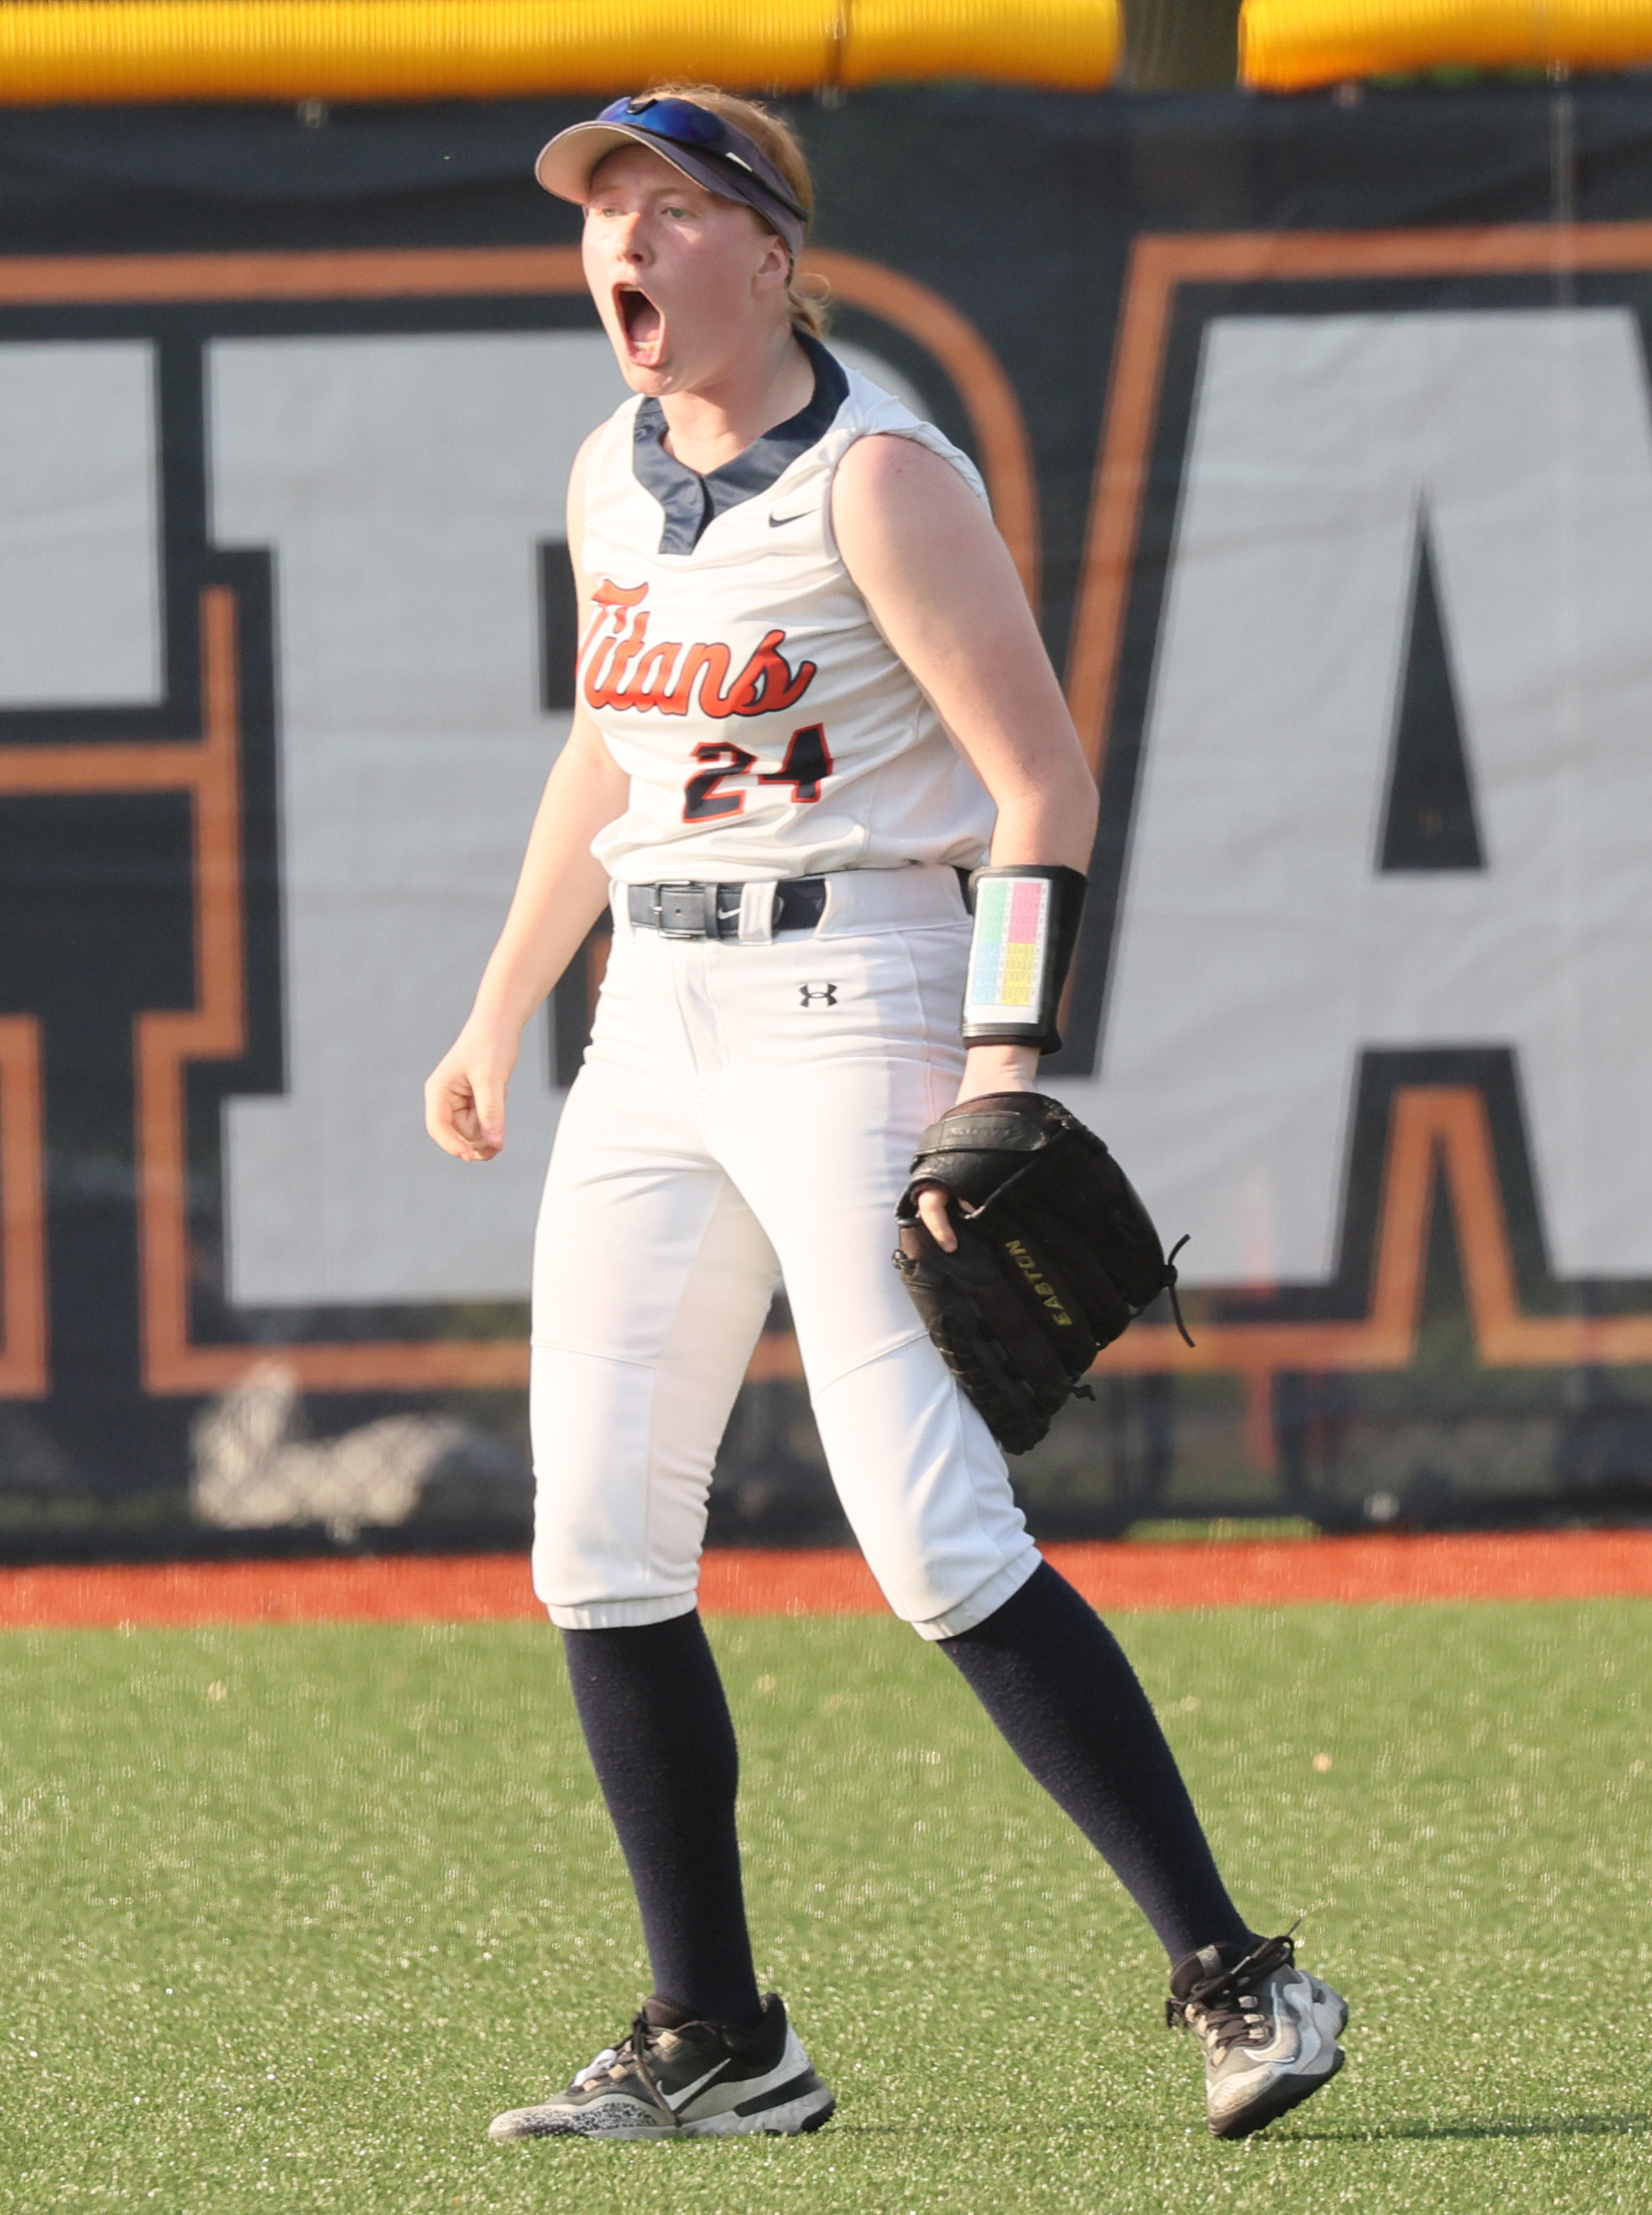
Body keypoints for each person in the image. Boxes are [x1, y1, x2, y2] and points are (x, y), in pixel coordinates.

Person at [424, 84, 1347, 2145]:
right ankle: (717, 2033)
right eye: (603, 212)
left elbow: (1041, 782)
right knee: (593, 1535)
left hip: (856, 994)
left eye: (669, 209)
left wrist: (1003, 1057)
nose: (624, 245)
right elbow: (610, 750)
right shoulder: (610, 466)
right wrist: (498, 1003)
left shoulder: (879, 471)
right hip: (648, 1007)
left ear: (770, 250)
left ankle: (1242, 1975)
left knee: (929, 1526)